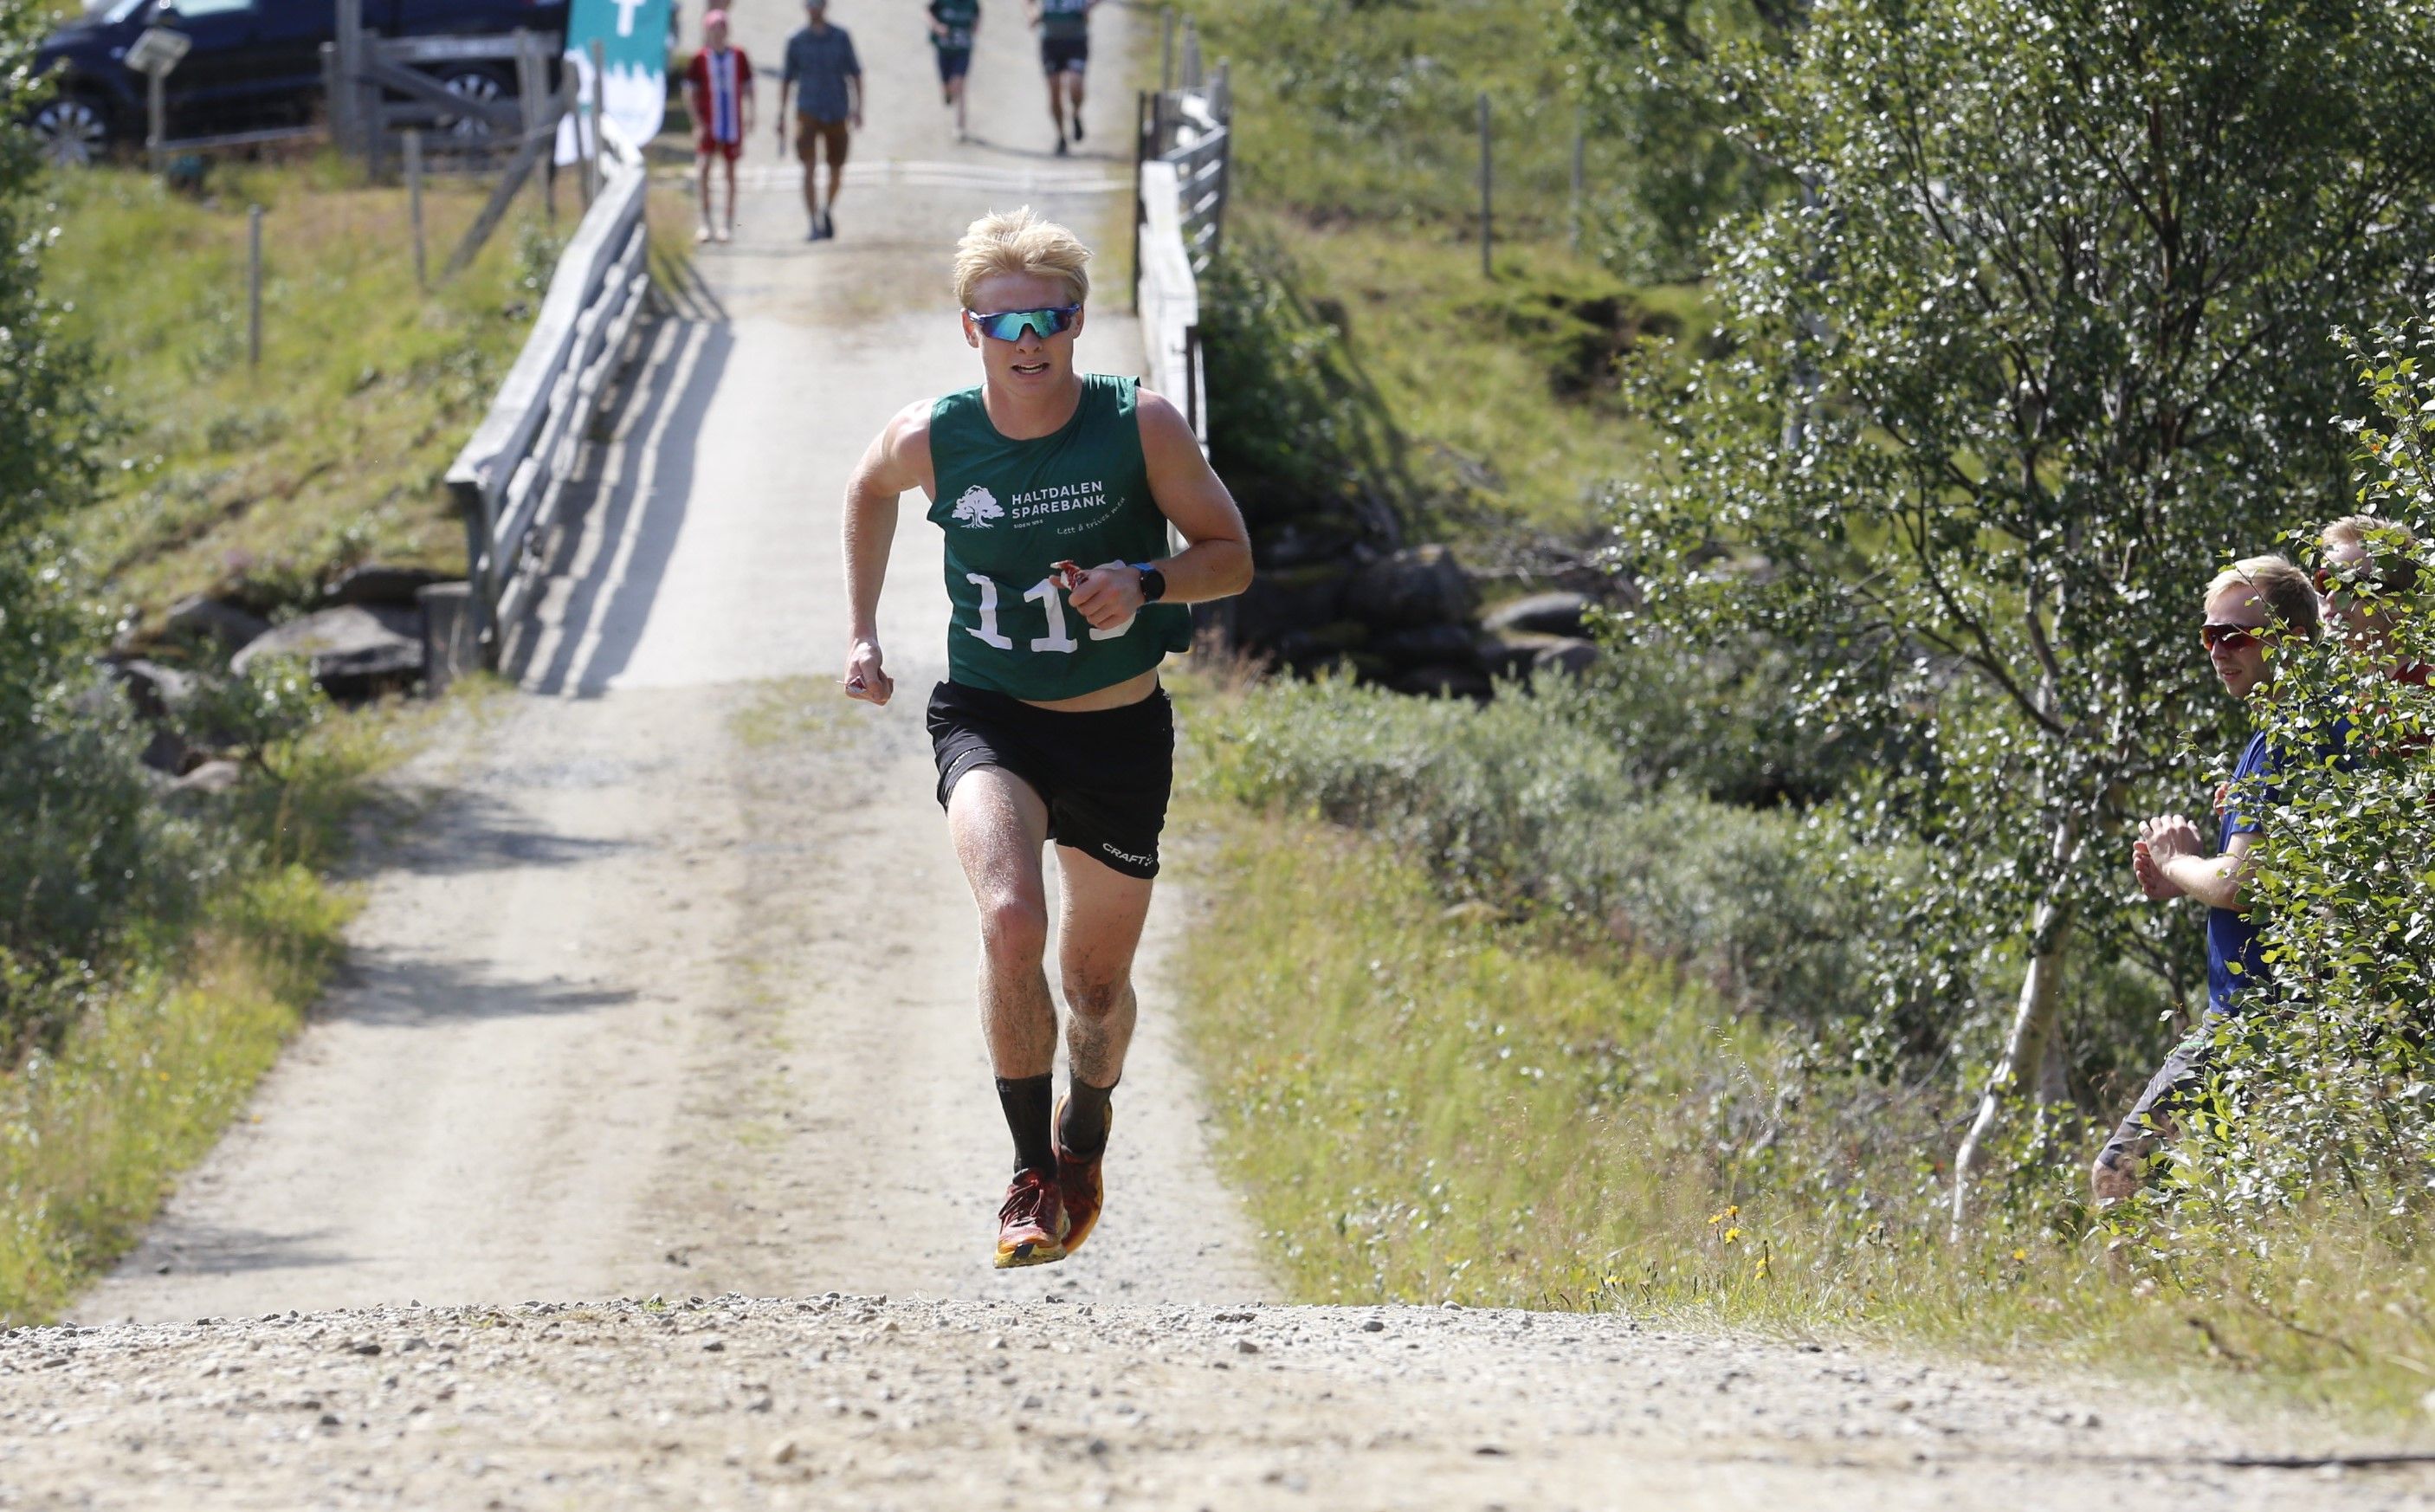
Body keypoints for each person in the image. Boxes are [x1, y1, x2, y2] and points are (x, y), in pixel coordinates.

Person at [838, 208, 1252, 1267]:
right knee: (1011, 920)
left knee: (1095, 992)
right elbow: (867, 489)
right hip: (989, 718)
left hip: (1119, 735)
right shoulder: (933, 436)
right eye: (1004, 322)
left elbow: (1230, 555)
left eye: (1051, 320)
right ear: (968, 328)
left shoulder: (1138, 424)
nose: (1029, 343)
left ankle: (1084, 1133)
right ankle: (1028, 1180)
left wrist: (1144, 578)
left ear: (1078, 321)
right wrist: (862, 632)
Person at [2095, 556, 2324, 1201]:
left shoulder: (2286, 741)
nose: (2219, 650)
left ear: (2292, 638)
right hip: (2294, 1018)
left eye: (2237, 635)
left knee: (2119, 1173)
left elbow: (2236, 885)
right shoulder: (2300, 728)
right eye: (2209, 635)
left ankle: (2134, 1308)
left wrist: (2177, 864)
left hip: (2259, 1019)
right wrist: (2183, 880)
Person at [778, 0, 863, 241]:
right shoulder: (796, 39)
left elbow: (855, 72)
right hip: (807, 110)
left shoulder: (841, 37)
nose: (814, 8)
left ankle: (826, 208)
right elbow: (786, 78)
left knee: (836, 168)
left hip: (837, 110)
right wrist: (781, 115)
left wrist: (858, 108)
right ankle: (813, 221)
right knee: (808, 166)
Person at [2316, 514, 2426, 686]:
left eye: (2351, 586)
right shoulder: (2368, 693)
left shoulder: (2424, 695)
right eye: (2323, 582)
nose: (2331, 597)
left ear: (2399, 604)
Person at [683, 11, 754, 243]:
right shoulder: (699, 59)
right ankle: (705, 223)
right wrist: (696, 122)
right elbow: (689, 92)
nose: (718, 32)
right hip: (709, 123)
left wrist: (751, 114)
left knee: (730, 173)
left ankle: (728, 225)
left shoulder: (739, 56)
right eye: (714, 27)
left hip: (731, 121)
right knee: (703, 169)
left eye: (721, 27)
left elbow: (748, 87)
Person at [1026, 0, 1095, 156]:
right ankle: (1061, 135)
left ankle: (1076, 113)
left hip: (1076, 40)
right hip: (1051, 42)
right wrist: (1033, 13)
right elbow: (1028, 3)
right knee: (1054, 91)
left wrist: (1089, 6)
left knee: (1075, 85)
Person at [929, 0, 980, 142]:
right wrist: (937, 26)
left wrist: (976, 27)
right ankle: (947, 93)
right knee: (947, 88)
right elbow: (928, 11)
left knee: (959, 85)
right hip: (944, 50)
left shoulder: (971, 3)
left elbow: (978, 14)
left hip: (962, 51)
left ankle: (960, 125)